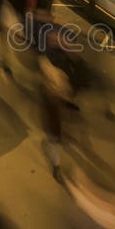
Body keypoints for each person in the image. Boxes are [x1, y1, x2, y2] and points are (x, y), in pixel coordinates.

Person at [39, 55, 71, 184]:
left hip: (53, 123)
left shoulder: (48, 89)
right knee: (54, 143)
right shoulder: (49, 94)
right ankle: (56, 167)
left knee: (54, 142)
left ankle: (56, 165)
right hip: (53, 126)